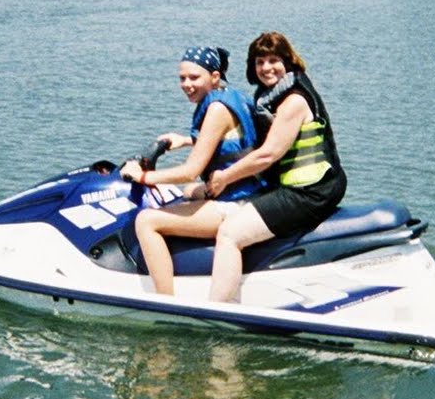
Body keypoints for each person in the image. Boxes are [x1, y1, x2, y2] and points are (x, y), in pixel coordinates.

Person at [202, 32, 347, 302]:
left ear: (288, 61)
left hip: (310, 192)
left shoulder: (293, 101)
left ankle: (218, 306)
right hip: (307, 187)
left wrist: (224, 177)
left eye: (273, 60)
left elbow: (267, 155)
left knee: (230, 232)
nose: (266, 68)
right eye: (260, 62)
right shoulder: (272, 96)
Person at [119, 46, 263, 295]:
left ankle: (165, 300)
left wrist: (142, 176)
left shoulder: (217, 110)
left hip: (236, 203)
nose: (186, 84)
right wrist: (186, 140)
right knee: (187, 192)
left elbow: (190, 169)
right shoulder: (230, 96)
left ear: (214, 77)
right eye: (182, 78)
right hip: (247, 190)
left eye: (194, 77)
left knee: (146, 221)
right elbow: (231, 141)